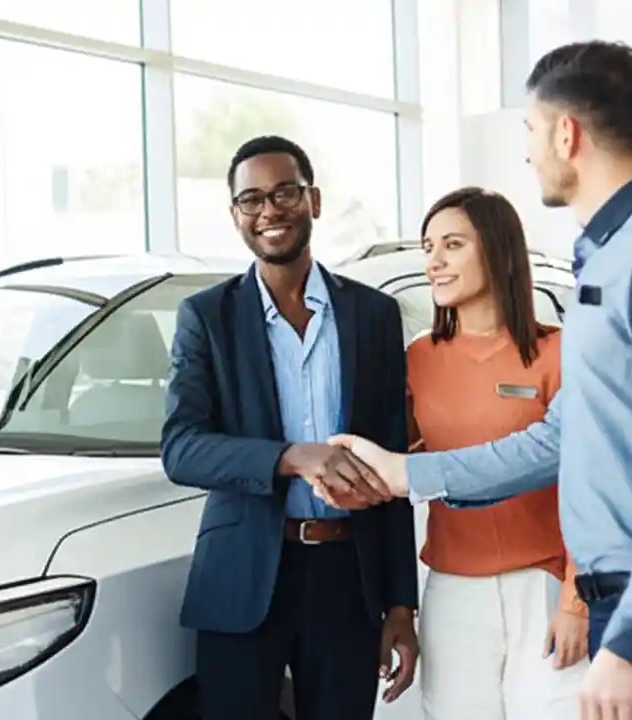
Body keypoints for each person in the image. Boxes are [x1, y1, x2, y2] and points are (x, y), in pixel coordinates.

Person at [325, 41, 632, 720]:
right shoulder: (606, 259)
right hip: (625, 603)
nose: (527, 152)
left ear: (565, 132)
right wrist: (404, 474)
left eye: (528, 130)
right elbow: (559, 443)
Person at [160, 135, 419, 720]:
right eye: (251, 199)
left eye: (284, 193)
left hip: (347, 580)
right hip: (243, 575)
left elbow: (392, 457)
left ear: (314, 200)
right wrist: (293, 457)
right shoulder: (206, 317)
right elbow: (181, 448)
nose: (269, 210)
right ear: (235, 216)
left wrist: (401, 603)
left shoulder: (372, 315)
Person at [407, 187, 587, 719]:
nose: (434, 261)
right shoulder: (417, 359)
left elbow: (590, 483)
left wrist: (576, 601)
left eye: (452, 244)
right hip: (452, 592)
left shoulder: (560, 351)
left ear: (498, 250)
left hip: (544, 588)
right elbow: (401, 467)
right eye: (428, 246)